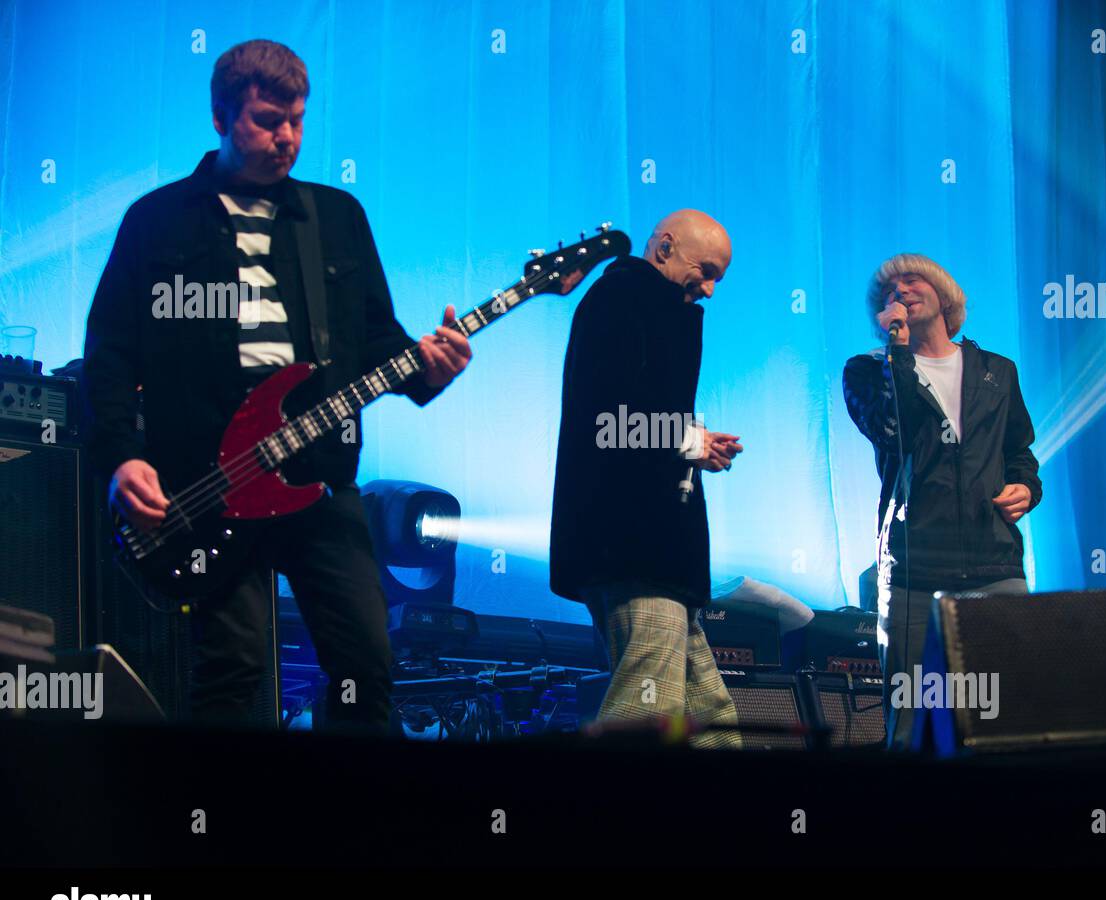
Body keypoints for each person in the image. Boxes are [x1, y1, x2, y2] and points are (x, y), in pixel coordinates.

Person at [82, 40, 472, 731]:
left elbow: (377, 341)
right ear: (220, 118)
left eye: (297, 120)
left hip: (318, 475)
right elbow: (110, 352)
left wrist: (429, 369)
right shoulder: (158, 220)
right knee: (232, 666)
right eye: (267, 121)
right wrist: (121, 458)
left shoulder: (337, 217)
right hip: (206, 482)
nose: (286, 137)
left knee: (366, 660)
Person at [550, 210, 744, 748]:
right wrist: (690, 442)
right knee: (646, 710)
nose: (709, 289)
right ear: (664, 248)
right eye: (706, 271)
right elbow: (605, 419)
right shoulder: (621, 298)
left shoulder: (645, 304)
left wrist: (692, 443)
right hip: (633, 549)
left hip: (653, 555)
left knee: (712, 723)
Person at [842, 254, 1041, 749]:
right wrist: (898, 352)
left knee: (1005, 717)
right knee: (913, 725)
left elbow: (1019, 452)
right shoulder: (868, 371)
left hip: (994, 563)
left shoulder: (997, 371)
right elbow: (894, 431)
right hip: (915, 569)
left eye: (912, 280)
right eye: (889, 291)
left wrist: (1026, 488)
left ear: (943, 294)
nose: (901, 291)